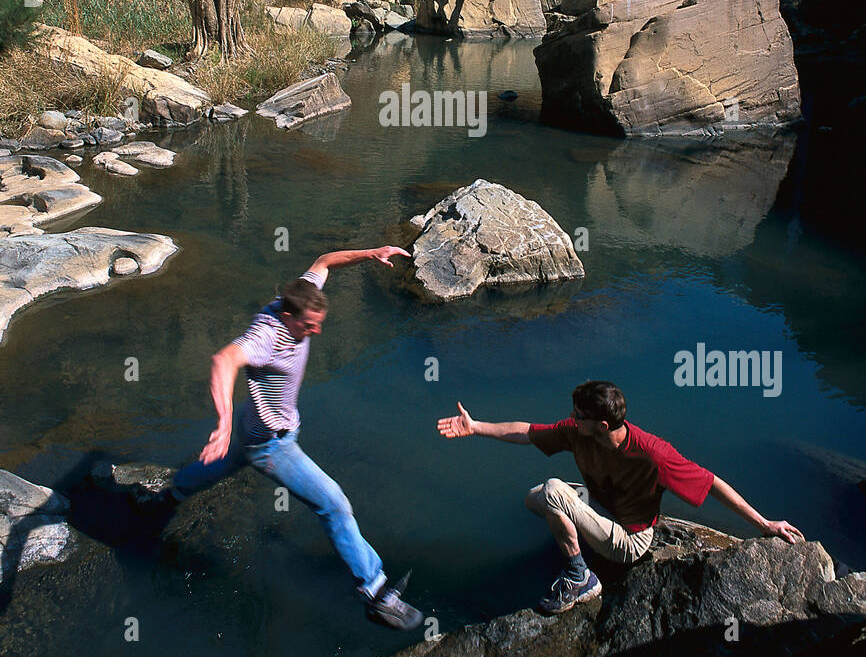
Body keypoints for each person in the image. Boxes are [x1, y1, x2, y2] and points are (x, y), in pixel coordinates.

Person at [140, 245, 423, 631]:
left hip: (253, 425)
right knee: (334, 504)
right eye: (309, 325)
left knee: (225, 461)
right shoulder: (267, 335)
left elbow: (324, 262)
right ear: (288, 316)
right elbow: (224, 361)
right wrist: (221, 422)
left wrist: (372, 253)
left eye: (319, 323)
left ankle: (171, 494)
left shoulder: (297, 298)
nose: (316, 331)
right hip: (272, 444)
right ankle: (375, 592)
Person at [437, 379, 805, 615]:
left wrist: (765, 524)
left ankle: (581, 578)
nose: (570, 417)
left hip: (630, 538)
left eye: (577, 414)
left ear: (602, 424)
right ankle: (579, 548)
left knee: (552, 491)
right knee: (535, 498)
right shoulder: (580, 431)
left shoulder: (653, 454)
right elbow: (528, 432)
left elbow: (712, 484)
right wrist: (476, 427)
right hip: (602, 507)